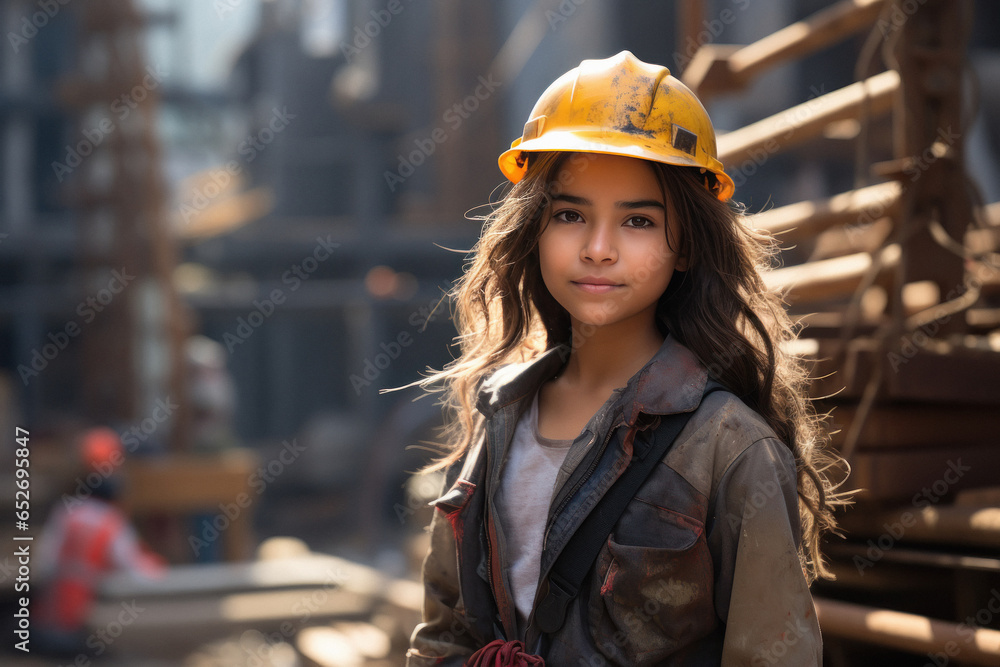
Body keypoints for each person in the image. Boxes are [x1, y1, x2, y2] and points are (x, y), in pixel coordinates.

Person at [404, 51, 850, 666]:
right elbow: (444, 636)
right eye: (569, 214)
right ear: (534, 230)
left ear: (686, 245)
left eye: (637, 220)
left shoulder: (728, 449)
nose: (597, 249)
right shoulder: (500, 414)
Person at [35, 427, 166, 657]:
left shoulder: (65, 513)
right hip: (84, 630)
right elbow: (140, 575)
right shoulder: (111, 522)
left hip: (48, 626)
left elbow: (43, 565)